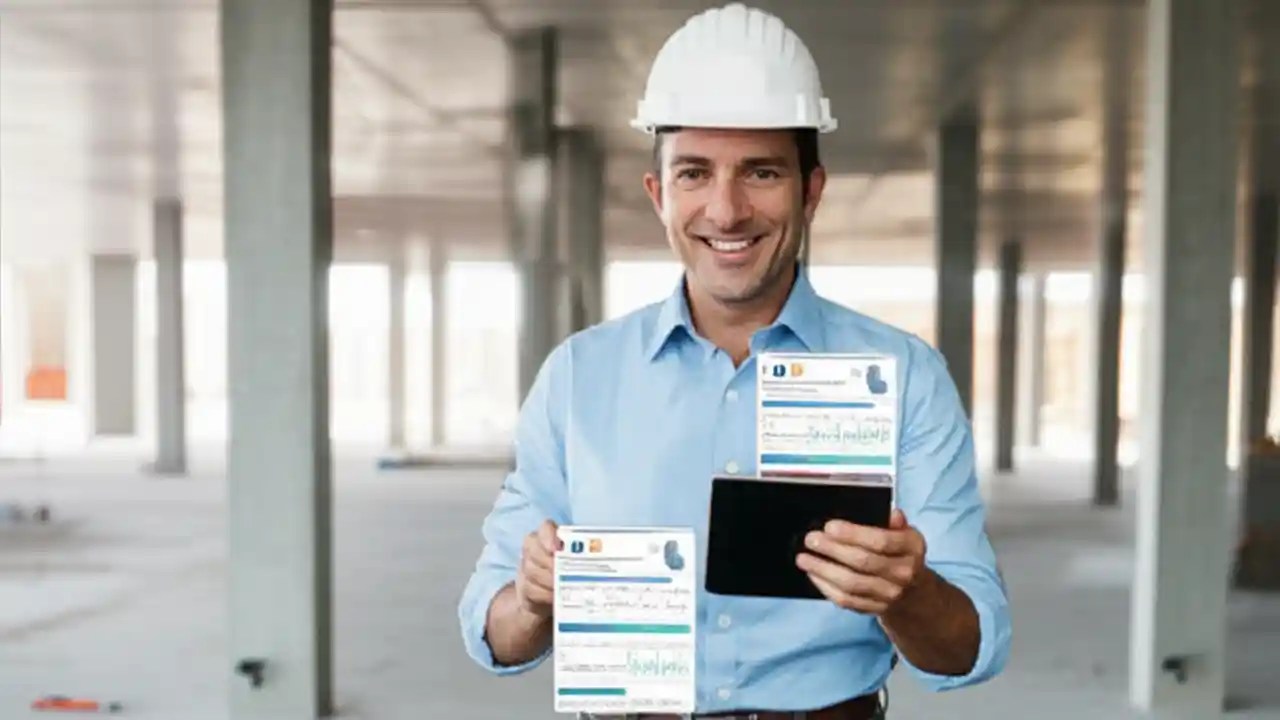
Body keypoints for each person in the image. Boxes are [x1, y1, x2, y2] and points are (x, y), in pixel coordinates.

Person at [458, 4, 1011, 718]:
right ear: (658, 195)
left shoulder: (906, 379)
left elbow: (970, 649)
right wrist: (533, 599)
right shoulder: (578, 377)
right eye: (694, 173)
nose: (726, 210)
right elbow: (494, 634)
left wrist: (911, 595)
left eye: (760, 172)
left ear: (811, 191)